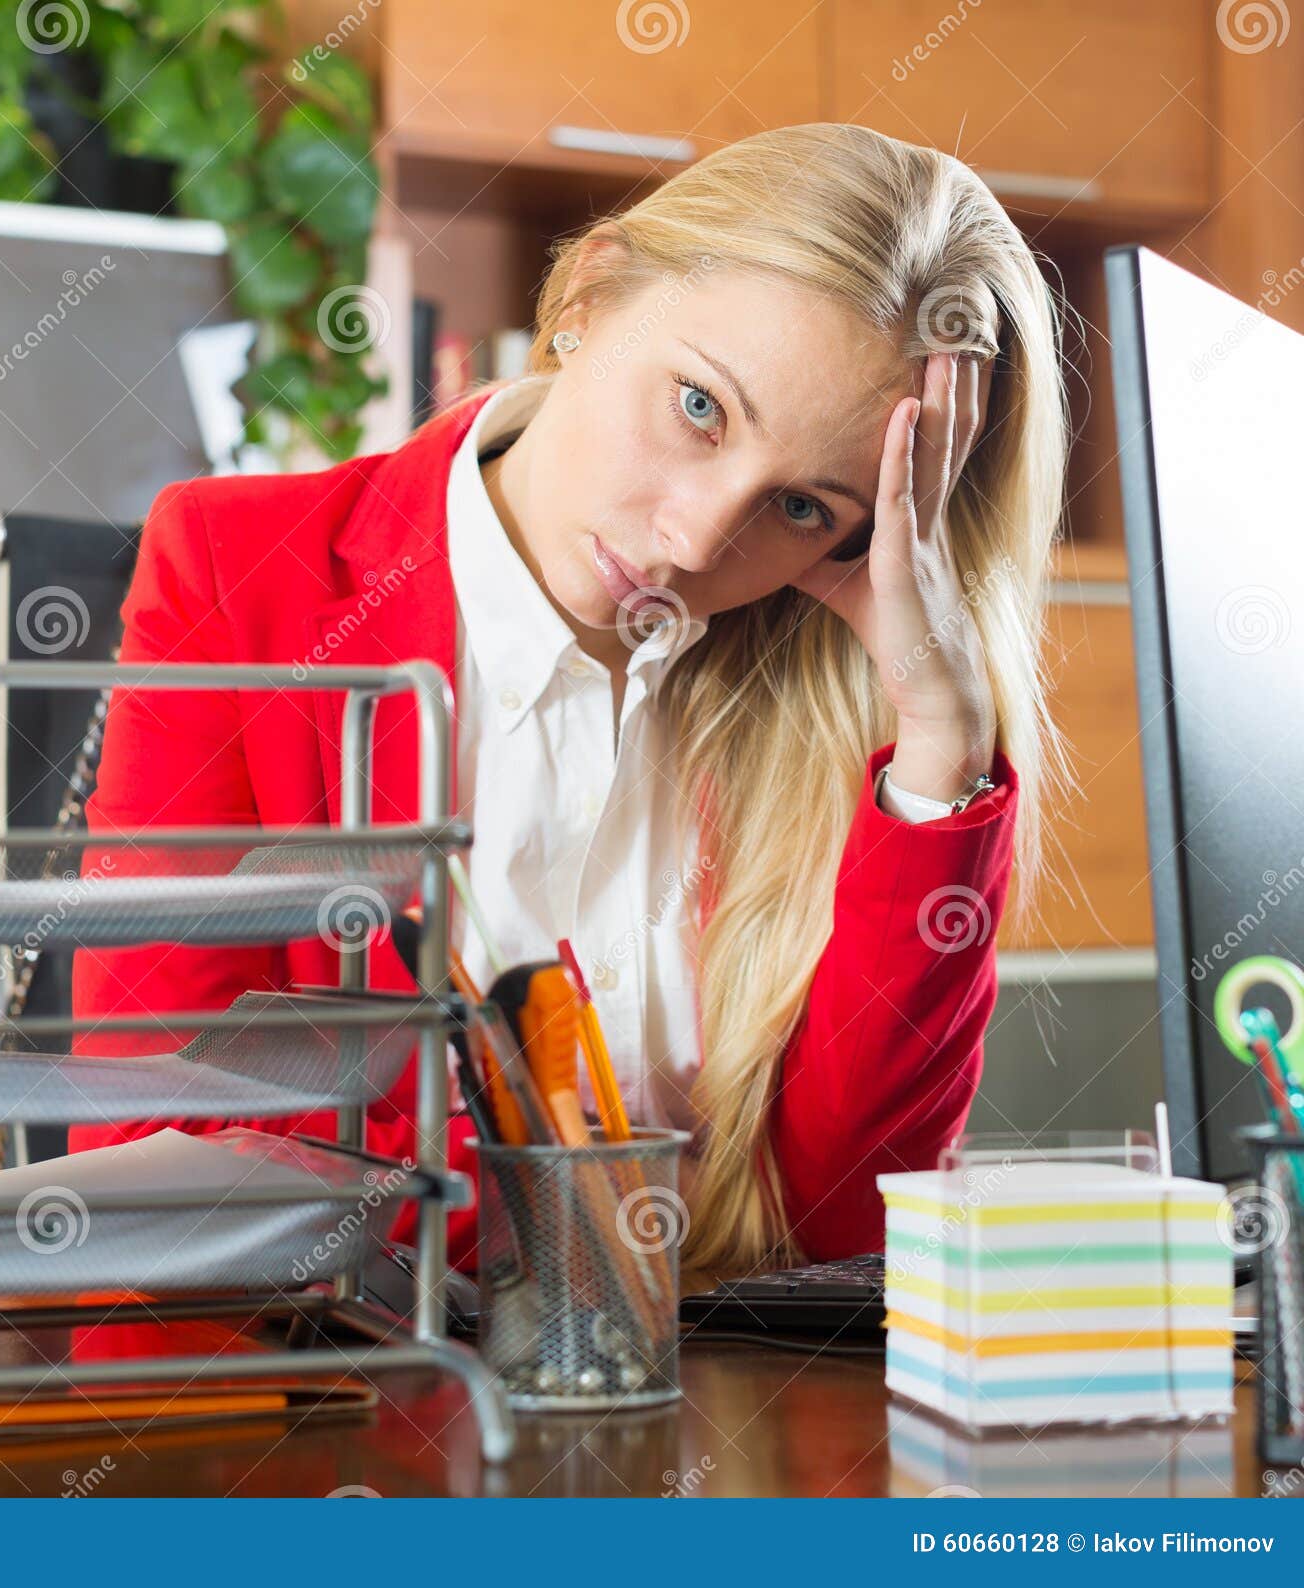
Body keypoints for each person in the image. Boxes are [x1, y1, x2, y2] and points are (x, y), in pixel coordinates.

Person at [67, 122, 1067, 1277]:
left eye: (801, 508)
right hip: (347, 1425)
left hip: (722, 1431)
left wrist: (940, 738)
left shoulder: (828, 687)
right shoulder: (240, 575)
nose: (694, 539)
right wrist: (622, 1204)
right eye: (699, 406)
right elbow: (155, 1146)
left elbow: (839, 1225)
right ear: (592, 292)